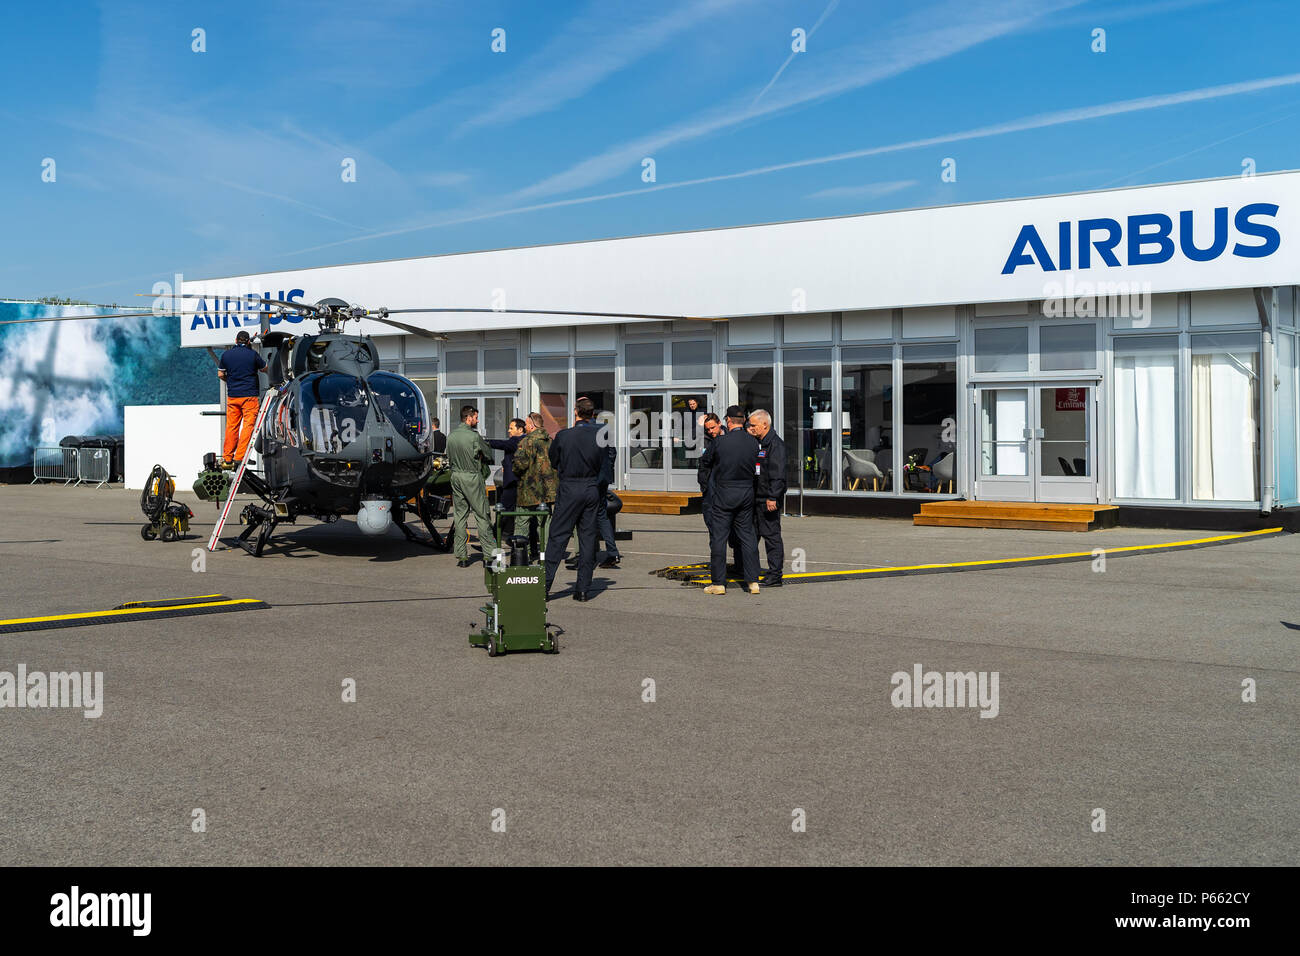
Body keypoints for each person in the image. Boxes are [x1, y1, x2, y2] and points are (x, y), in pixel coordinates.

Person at [696, 405, 761, 596]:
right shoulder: (753, 442)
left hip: (724, 493)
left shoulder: (720, 442)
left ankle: (718, 583)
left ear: (729, 421)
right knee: (747, 536)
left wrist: (707, 486)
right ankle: (753, 581)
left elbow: (705, 462)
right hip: (746, 492)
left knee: (719, 537)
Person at [543, 397, 604, 601]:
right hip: (591, 486)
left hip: (570, 486)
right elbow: (607, 462)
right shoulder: (600, 435)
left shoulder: (564, 435)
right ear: (592, 414)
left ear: (576, 412)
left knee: (558, 537)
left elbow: (553, 460)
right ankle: (583, 590)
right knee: (587, 540)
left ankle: (544, 586)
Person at [446, 404, 499, 568]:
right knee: (482, 515)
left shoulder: (451, 436)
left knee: (460, 516)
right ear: (469, 417)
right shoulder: (474, 437)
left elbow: (448, 455)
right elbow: (489, 454)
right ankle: (489, 554)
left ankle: (462, 556)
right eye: (476, 417)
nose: (477, 420)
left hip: (456, 476)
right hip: (472, 476)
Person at [745, 409, 787, 587]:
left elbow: (778, 474)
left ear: (765, 425)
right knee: (751, 536)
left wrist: (773, 497)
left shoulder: (775, 445)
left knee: (771, 537)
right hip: (755, 498)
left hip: (767, 499)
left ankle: (775, 575)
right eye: (749, 425)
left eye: (753, 425)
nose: (751, 428)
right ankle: (751, 570)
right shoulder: (758, 442)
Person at [217, 330, 266, 468]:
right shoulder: (252, 355)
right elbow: (264, 368)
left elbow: (220, 374)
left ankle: (227, 458)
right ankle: (240, 457)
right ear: (248, 341)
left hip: (233, 396)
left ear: (236, 340)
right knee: (248, 427)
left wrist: (231, 381)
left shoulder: (226, 355)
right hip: (249, 396)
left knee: (232, 426)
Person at [512, 412, 558, 560]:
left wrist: (514, 469)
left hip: (529, 489)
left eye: (526, 424)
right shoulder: (550, 440)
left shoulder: (527, 441)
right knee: (544, 523)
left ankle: (520, 555)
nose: (525, 427)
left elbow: (519, 464)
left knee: (522, 522)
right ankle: (547, 555)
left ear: (531, 425)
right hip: (547, 490)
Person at [487, 418, 526, 530]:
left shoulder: (517, 441)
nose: (508, 430)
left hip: (513, 483)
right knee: (512, 511)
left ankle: (494, 537)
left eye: (511, 428)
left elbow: (501, 444)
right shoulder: (520, 440)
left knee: (503, 510)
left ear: (520, 429)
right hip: (516, 481)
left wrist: (485, 442)